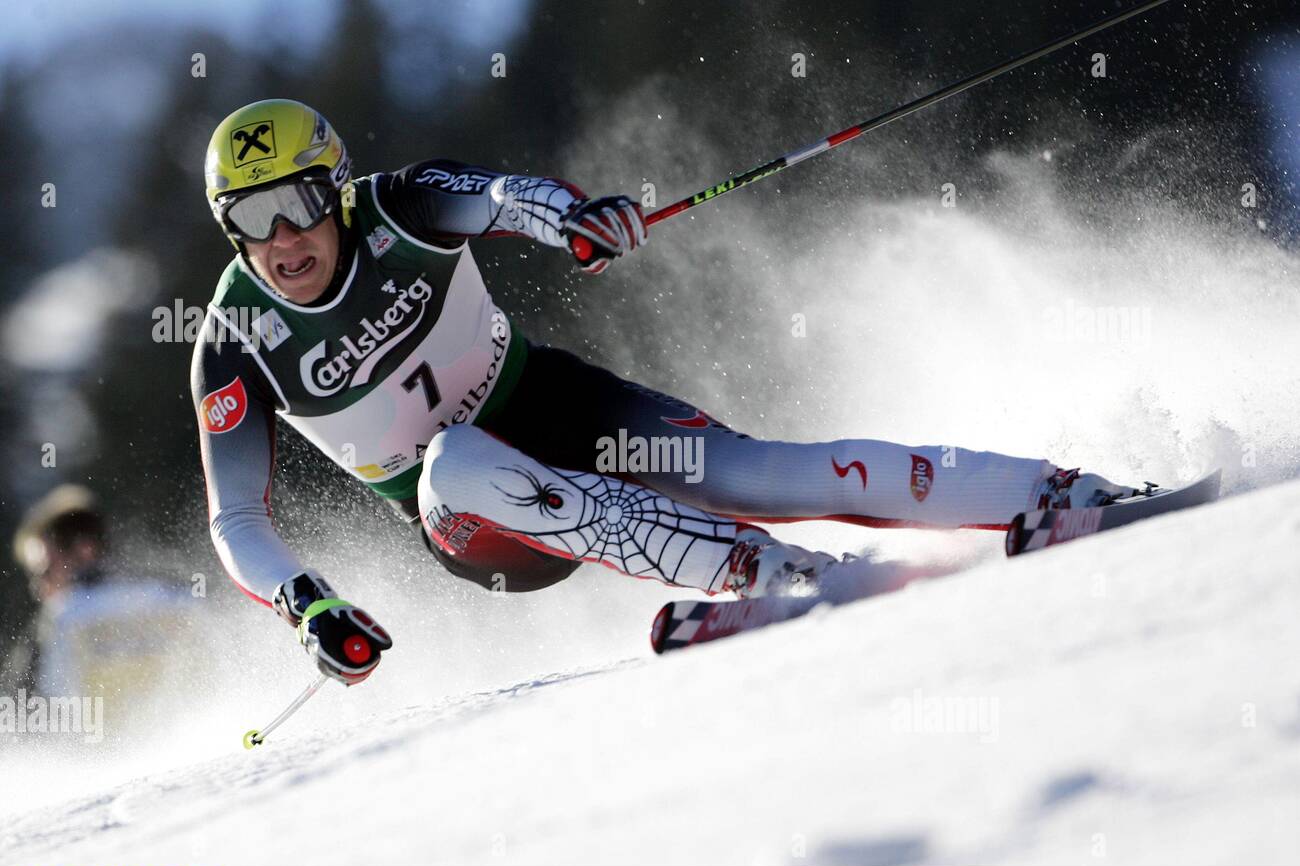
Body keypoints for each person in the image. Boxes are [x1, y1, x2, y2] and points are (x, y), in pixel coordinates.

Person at [193, 99, 1140, 686]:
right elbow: (235, 520)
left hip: (556, 405)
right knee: (455, 460)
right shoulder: (233, 342)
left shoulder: (398, 203)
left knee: (760, 470)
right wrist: (309, 604)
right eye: (251, 219)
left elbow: (503, 196)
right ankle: (761, 574)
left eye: (300, 204)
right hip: (479, 525)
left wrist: (576, 220)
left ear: (338, 190)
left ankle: (1053, 493)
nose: (283, 238)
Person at [5, 485, 192, 716]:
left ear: (86, 549)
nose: (37, 588)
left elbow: (20, 710)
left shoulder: (59, 620)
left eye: (44, 571)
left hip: (94, 748)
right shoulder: (178, 596)